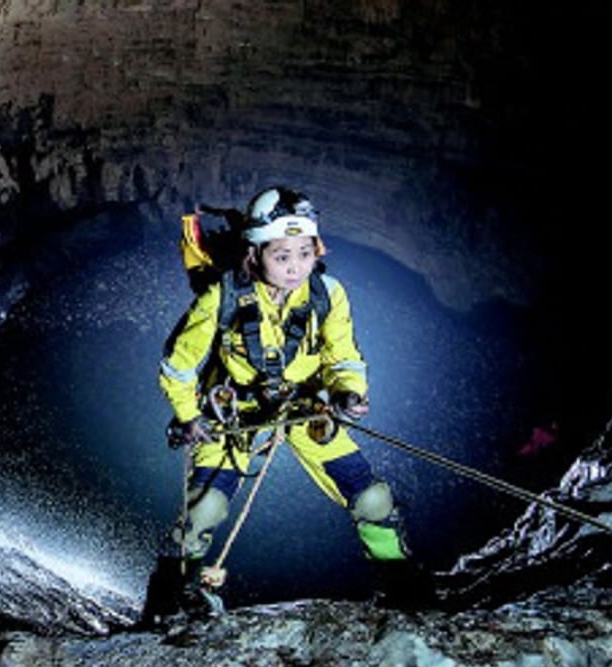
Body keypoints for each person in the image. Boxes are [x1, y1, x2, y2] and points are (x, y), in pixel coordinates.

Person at [141, 185, 427, 624]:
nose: (295, 267)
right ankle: (168, 601)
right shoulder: (222, 297)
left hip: (303, 407)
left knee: (372, 499)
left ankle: (405, 586)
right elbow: (177, 365)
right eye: (282, 256)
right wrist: (189, 416)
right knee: (204, 509)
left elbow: (344, 356)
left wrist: (349, 392)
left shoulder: (327, 294)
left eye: (304, 253)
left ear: (317, 251)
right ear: (254, 255)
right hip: (234, 412)